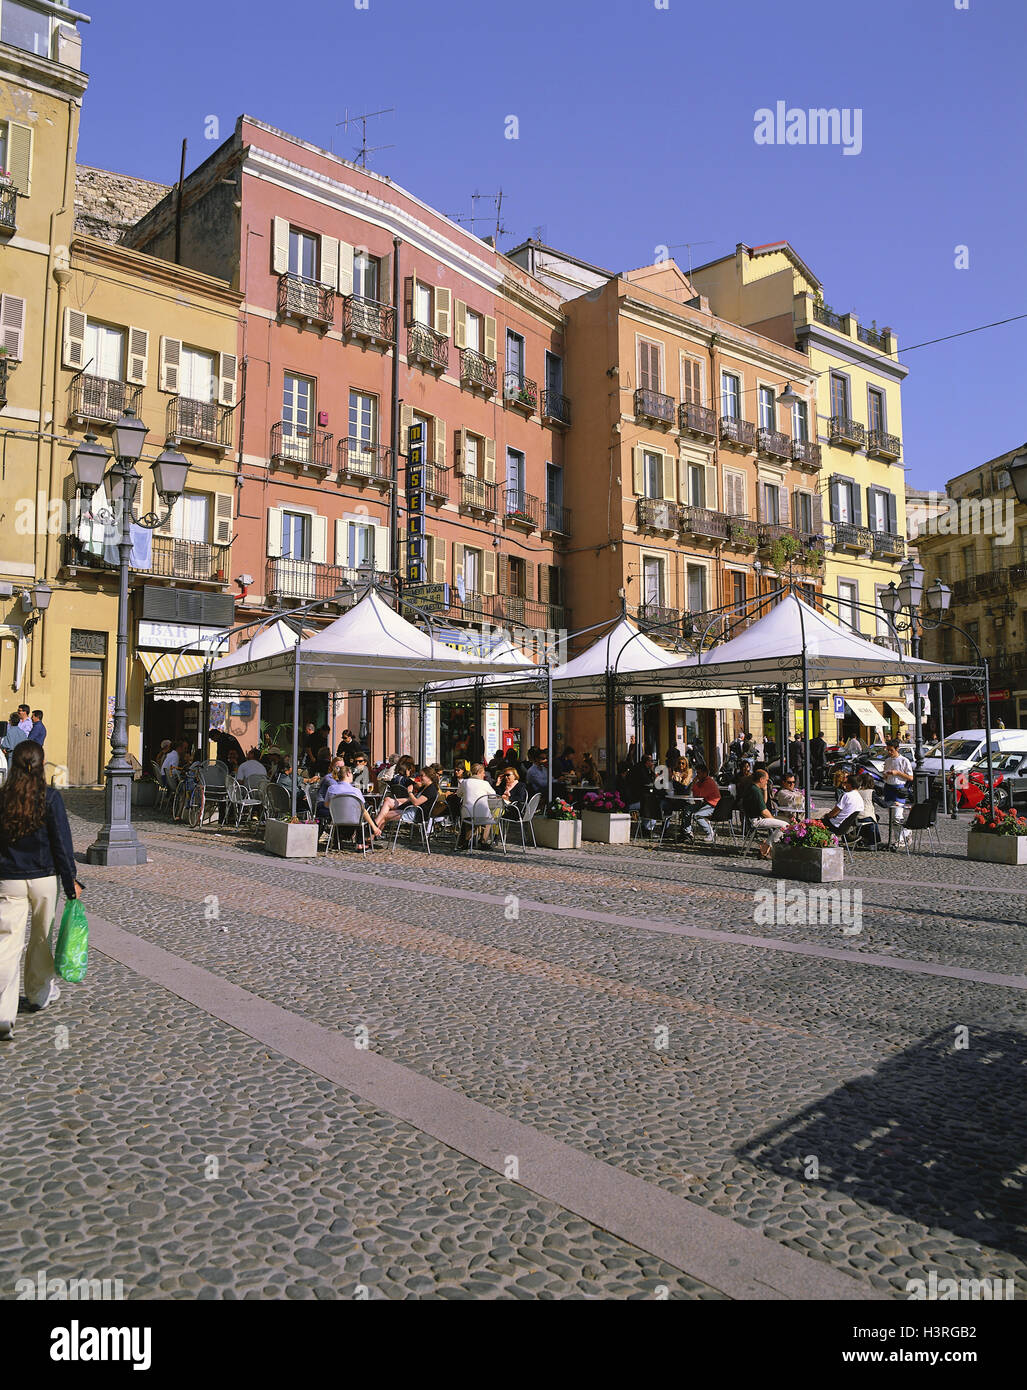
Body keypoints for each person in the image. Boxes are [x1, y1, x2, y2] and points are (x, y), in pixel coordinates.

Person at [0, 741, 82, 1040]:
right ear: (41, 763)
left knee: (7, 943)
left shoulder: (2, 797)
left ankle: (2, 1013)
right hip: (44, 879)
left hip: (8, 878)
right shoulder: (50, 798)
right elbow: (62, 842)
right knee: (40, 938)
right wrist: (70, 880)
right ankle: (38, 994)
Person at [374, 767, 440, 836]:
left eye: (422, 775)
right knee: (387, 802)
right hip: (411, 809)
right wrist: (395, 800)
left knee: (385, 815)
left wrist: (410, 792)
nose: (420, 778)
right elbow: (410, 799)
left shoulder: (431, 789)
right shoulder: (425, 787)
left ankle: (373, 830)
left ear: (429, 776)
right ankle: (374, 831)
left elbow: (416, 802)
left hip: (416, 815)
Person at [740, 769, 789, 858]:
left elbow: (763, 802)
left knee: (784, 822)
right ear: (761, 779)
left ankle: (767, 847)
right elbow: (764, 811)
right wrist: (773, 819)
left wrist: (765, 789)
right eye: (766, 780)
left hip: (754, 818)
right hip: (757, 820)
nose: (767, 782)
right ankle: (766, 846)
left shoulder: (753, 788)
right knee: (785, 826)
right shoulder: (755, 791)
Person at [456, 763, 498, 847]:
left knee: (469, 820)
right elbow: (493, 795)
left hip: (468, 814)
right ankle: (483, 841)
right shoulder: (485, 783)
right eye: (483, 773)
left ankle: (466, 840)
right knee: (487, 819)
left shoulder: (465, 782)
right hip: (483, 815)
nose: (484, 774)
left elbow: (458, 794)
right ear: (479, 772)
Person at [682, 765, 720, 842]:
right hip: (705, 803)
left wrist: (694, 782)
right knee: (687, 809)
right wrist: (694, 783)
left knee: (697, 815)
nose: (697, 775)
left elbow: (699, 794)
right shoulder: (701, 781)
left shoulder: (708, 782)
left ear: (704, 773)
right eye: (697, 773)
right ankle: (688, 832)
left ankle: (710, 833)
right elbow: (695, 795)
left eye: (699, 773)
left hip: (713, 806)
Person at [825, 773, 867, 839]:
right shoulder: (860, 798)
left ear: (850, 784)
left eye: (845, 783)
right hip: (846, 827)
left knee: (814, 821)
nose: (844, 785)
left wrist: (826, 815)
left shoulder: (847, 795)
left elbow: (833, 813)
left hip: (836, 825)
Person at [881, 739, 914, 805]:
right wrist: (885, 775)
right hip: (888, 787)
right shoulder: (887, 760)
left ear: (897, 749)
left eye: (891, 750)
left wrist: (898, 773)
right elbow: (885, 777)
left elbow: (910, 778)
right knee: (889, 810)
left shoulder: (904, 760)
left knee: (897, 812)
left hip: (899, 788)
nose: (889, 752)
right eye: (888, 750)